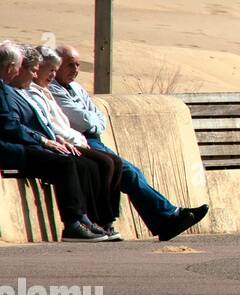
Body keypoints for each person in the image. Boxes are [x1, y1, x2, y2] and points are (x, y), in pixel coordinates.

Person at [49, 44, 208, 241]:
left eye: (78, 65)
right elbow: (82, 120)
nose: (75, 70)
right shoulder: (52, 88)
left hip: (92, 138)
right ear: (56, 66)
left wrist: (92, 122)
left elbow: (98, 118)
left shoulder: (76, 88)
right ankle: (167, 216)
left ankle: (166, 218)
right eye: (70, 65)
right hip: (79, 140)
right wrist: (92, 122)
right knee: (127, 172)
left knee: (130, 172)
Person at [0, 41, 112, 241]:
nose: (21, 73)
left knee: (87, 162)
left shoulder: (7, 89)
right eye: (19, 68)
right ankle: (73, 223)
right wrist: (43, 141)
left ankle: (84, 219)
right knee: (65, 163)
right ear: (10, 68)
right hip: (9, 149)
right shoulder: (5, 90)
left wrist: (50, 140)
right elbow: (10, 126)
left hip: (22, 144)